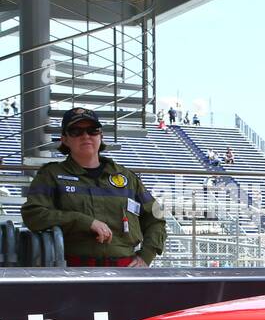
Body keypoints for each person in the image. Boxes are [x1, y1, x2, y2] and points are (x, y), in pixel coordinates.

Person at [21, 107, 166, 266]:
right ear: (64, 139)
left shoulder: (127, 178)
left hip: (125, 271)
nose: (86, 136)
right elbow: (33, 214)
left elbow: (156, 217)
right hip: (72, 272)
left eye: (92, 130)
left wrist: (146, 256)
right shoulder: (51, 176)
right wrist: (83, 221)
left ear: (101, 136)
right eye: (76, 131)